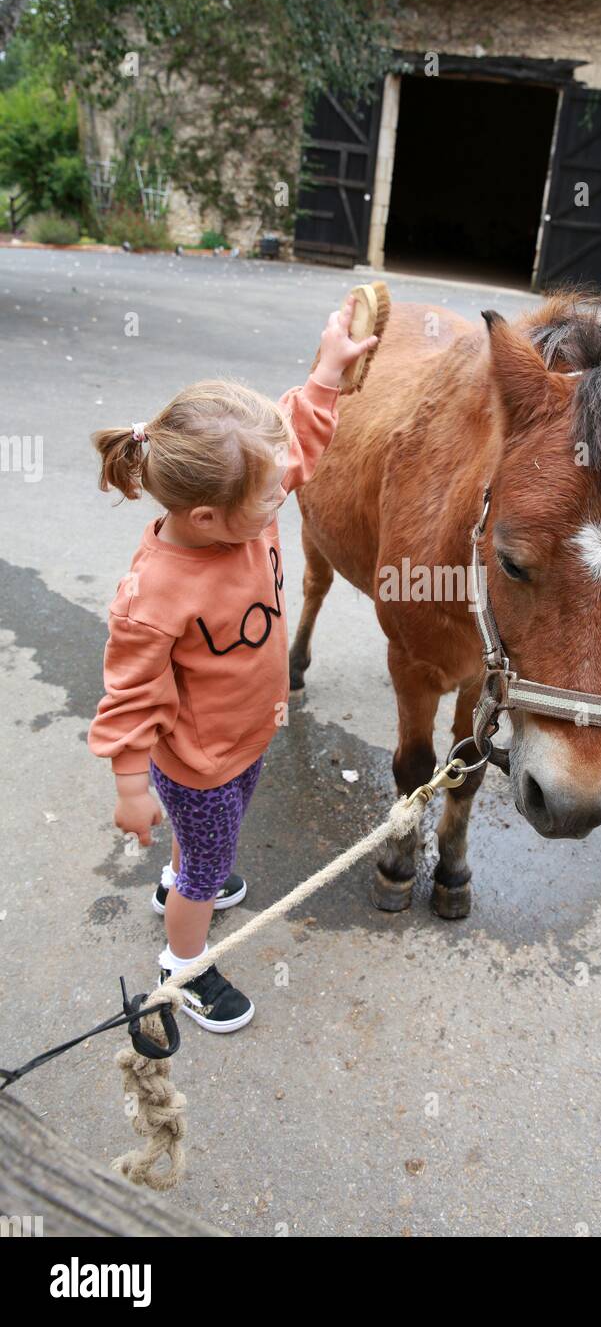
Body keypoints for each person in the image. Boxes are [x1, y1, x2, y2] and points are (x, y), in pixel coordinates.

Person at [87, 297, 378, 1033]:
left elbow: (298, 447)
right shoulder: (155, 593)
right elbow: (128, 696)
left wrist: (327, 373)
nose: (289, 491)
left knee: (222, 827)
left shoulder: (248, 503)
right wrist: (130, 787)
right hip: (196, 762)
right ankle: (181, 967)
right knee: (210, 860)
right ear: (208, 520)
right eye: (272, 493)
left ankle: (184, 875)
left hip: (243, 737)